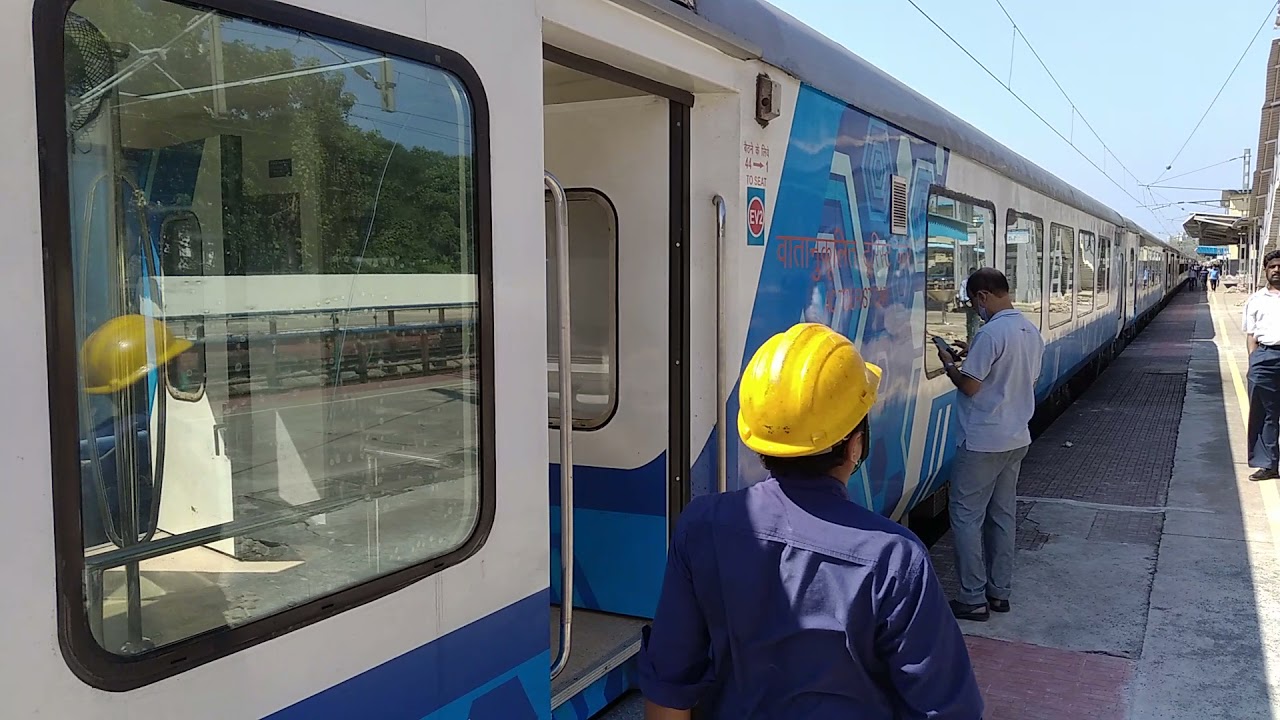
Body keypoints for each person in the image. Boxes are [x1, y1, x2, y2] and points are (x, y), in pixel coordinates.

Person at [638, 323, 983, 719]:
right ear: (855, 445)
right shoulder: (895, 559)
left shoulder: (701, 526)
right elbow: (948, 709)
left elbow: (669, 687)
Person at [937, 268, 1044, 622]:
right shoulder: (1030, 331)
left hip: (982, 440)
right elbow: (1016, 376)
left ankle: (972, 598)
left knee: (966, 517)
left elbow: (970, 386)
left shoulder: (990, 333)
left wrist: (950, 363)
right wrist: (973, 352)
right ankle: (999, 593)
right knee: (1001, 516)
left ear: (983, 296)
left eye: (973, 301)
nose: (974, 308)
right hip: (1016, 438)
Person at [1244, 251, 1280, 481]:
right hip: (1264, 358)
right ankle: (1268, 464)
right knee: (1265, 413)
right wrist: (1253, 359)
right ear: (1265, 270)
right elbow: (1251, 334)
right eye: (1273, 266)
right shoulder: (1256, 300)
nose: (1277, 270)